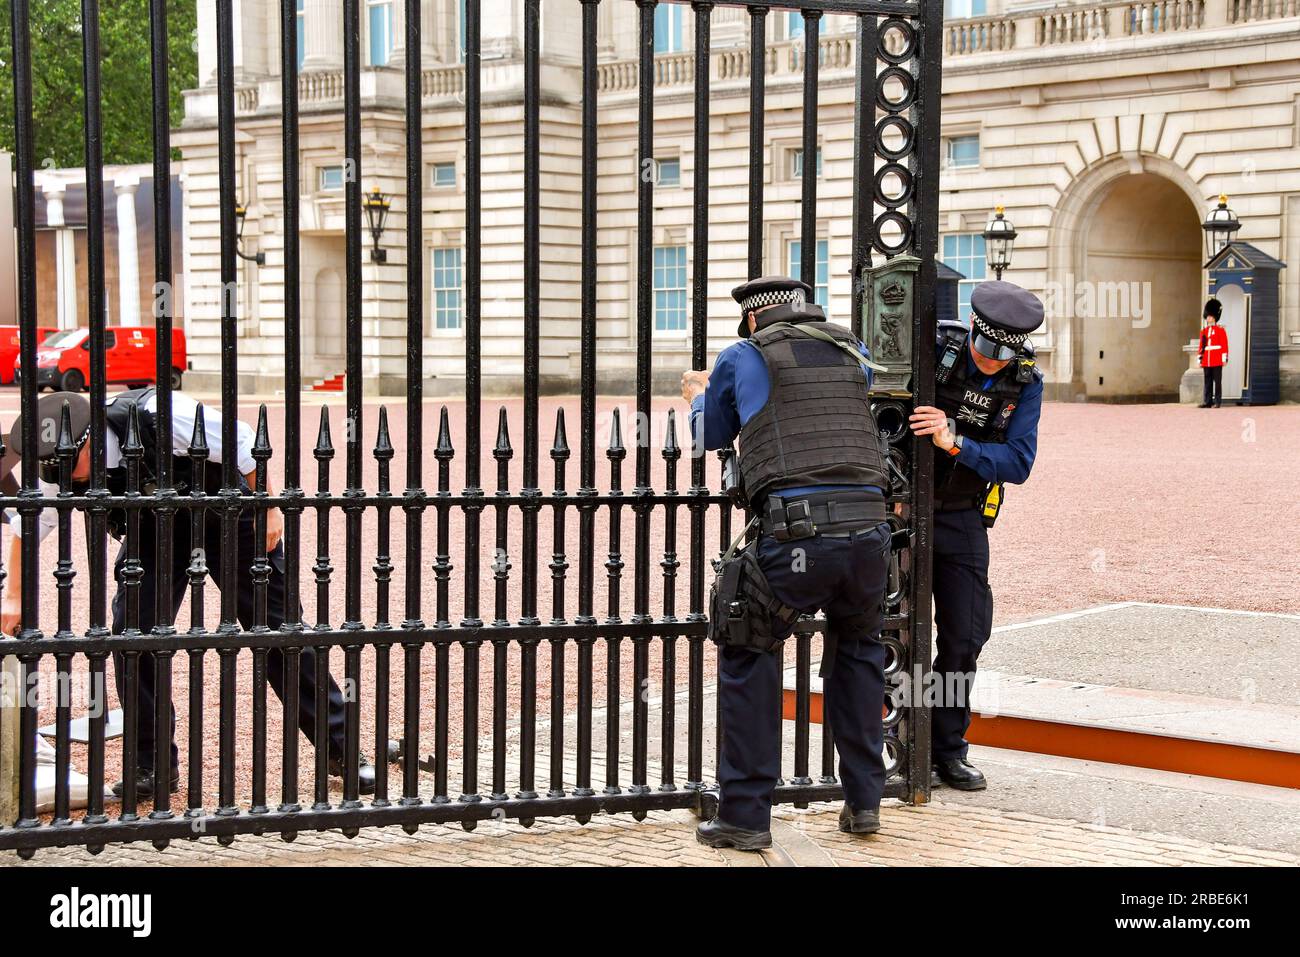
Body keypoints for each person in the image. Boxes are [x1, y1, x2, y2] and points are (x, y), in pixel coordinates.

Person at [0, 388, 376, 798]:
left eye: (70, 466)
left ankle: (342, 749)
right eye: (54, 470)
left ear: (88, 438)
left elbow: (245, 441)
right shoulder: (54, 457)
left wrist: (267, 507)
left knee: (279, 636)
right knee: (133, 638)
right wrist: (14, 597)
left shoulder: (158, 415)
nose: (64, 477)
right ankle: (153, 767)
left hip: (227, 513)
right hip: (154, 528)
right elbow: (29, 524)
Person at [683, 276, 893, 850]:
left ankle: (746, 815)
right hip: (871, 530)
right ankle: (864, 801)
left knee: (748, 648)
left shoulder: (746, 355)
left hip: (800, 533)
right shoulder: (855, 350)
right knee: (858, 654)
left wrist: (698, 395)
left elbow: (710, 434)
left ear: (753, 319)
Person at [908, 280, 1044, 791]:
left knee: (964, 638)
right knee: (888, 630)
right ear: (971, 331)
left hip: (963, 514)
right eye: (985, 349)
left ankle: (947, 749)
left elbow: (1019, 462)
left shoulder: (1025, 382)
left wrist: (956, 442)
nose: (991, 362)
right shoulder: (934, 349)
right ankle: (896, 741)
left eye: (1003, 355)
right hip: (902, 511)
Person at [1198, 298, 1228, 408]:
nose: (1208, 318)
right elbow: (1202, 346)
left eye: (1210, 316)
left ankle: (1218, 401)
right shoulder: (1204, 331)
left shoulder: (1220, 330)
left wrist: (1224, 358)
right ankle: (1207, 401)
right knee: (1208, 382)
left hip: (1216, 359)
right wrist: (1200, 358)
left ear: (1214, 317)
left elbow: (1224, 345)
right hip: (1207, 359)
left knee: (1217, 382)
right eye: (1207, 316)